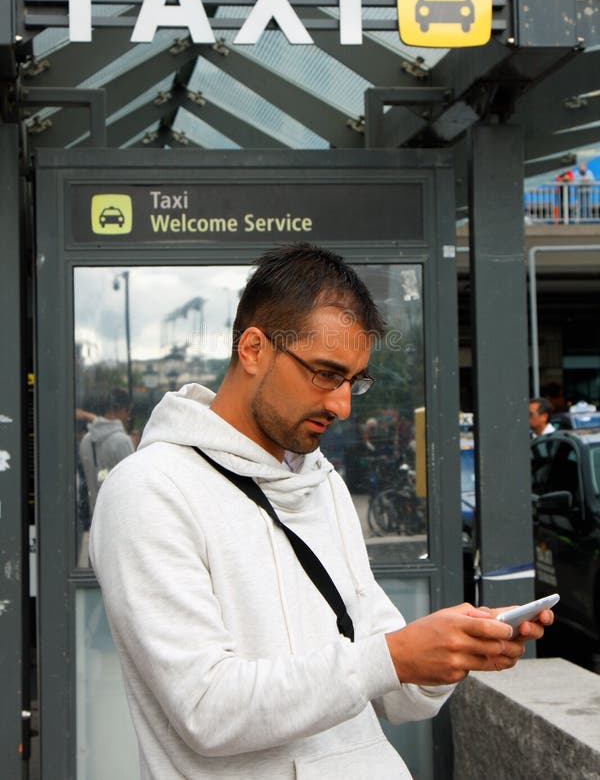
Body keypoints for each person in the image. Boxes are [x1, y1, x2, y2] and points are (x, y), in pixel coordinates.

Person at [90, 244, 552, 780]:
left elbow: (400, 700)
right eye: (326, 374)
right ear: (254, 348)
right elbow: (205, 710)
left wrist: (452, 650)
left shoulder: (322, 481)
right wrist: (394, 656)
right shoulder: (149, 490)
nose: (342, 405)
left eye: (354, 380)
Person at [80, 387, 134, 512]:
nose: (128, 417)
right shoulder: (122, 441)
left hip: (95, 515)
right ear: (120, 410)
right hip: (119, 513)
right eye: (128, 411)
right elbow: (133, 482)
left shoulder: (86, 440)